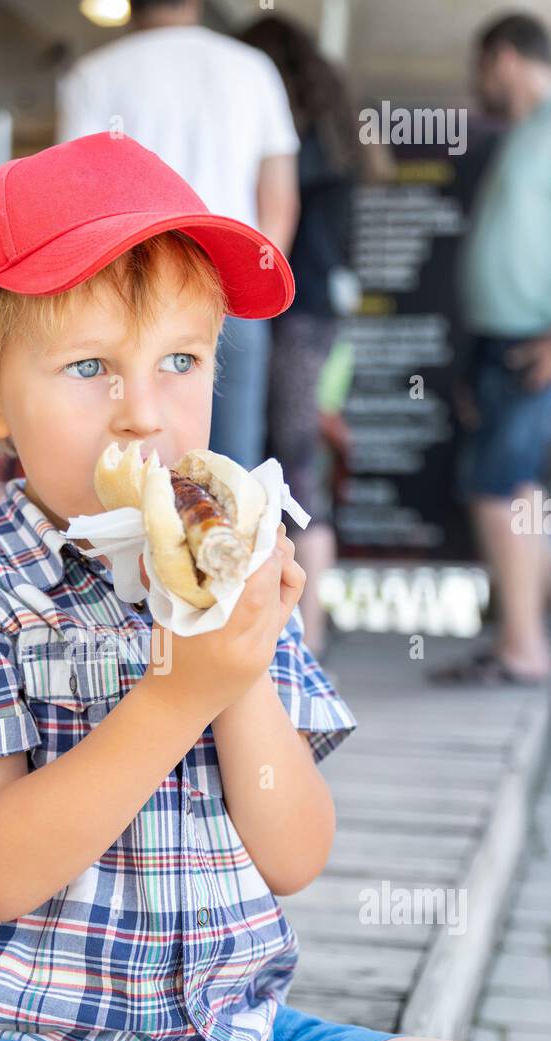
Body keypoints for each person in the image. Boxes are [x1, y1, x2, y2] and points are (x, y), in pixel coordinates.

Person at [0, 133, 551, 1041]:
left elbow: (293, 852)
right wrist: (172, 694)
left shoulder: (230, 565)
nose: (144, 415)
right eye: (90, 370)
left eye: (180, 362)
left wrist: (233, 674)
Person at [55, 0, 300, 474]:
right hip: (230, 288)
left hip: (124, 295)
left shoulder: (93, 74)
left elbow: (76, 200)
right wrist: (252, 289)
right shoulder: (252, 70)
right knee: (230, 467)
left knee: (122, 462)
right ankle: (228, 549)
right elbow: (280, 200)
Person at [430, 11, 551, 686]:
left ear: (503, 57)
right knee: (518, 490)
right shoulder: (528, 134)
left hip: (531, 343)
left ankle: (523, 649)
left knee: (497, 488)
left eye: (481, 68)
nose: (478, 84)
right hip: (506, 341)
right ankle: (523, 639)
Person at [241, 13, 362, 658]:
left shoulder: (297, 144)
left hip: (295, 313)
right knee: (294, 464)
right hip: (318, 317)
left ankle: (306, 642)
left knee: (289, 466)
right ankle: (304, 635)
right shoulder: (333, 139)